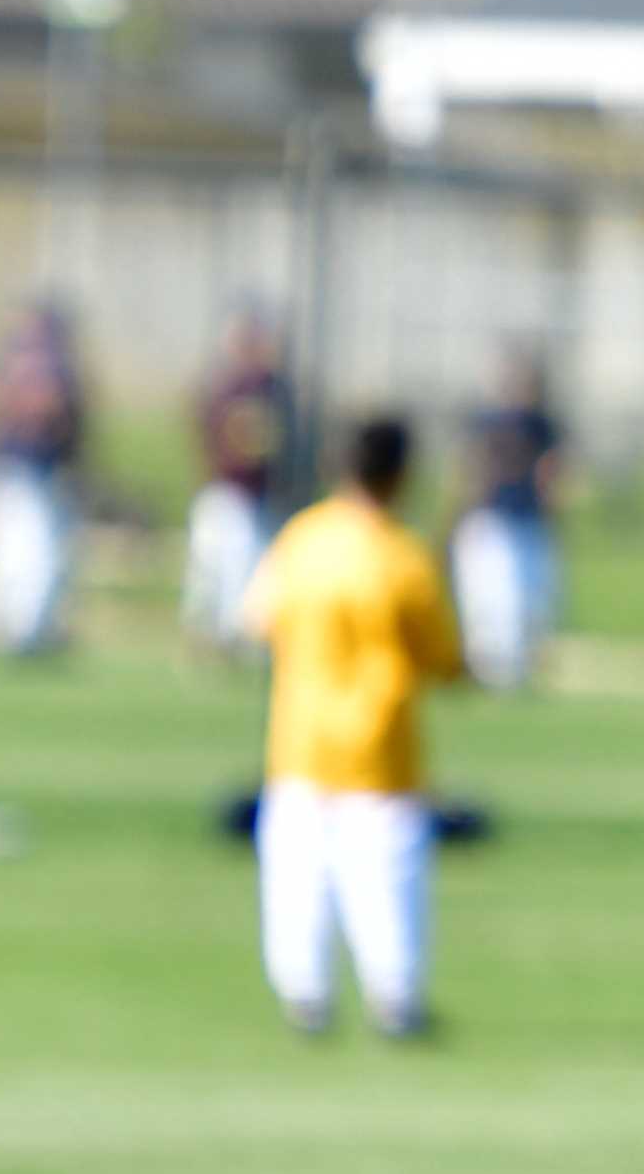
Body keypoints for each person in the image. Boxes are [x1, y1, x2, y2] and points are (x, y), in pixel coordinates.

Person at [234, 413, 463, 1041]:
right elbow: (446, 661)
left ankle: (306, 998)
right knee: (387, 887)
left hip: (300, 742)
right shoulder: (404, 557)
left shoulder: (301, 540)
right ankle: (396, 1001)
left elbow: (256, 618)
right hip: (381, 748)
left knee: (298, 887)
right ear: (400, 474)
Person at [0, 296, 87, 658]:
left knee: (27, 554)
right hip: (22, 471)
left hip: (26, 472)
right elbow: (46, 414)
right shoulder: (39, 367)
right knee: (27, 554)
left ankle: (17, 626)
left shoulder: (13, 363)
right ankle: (18, 630)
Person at [449, 347, 565, 691]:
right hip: (493, 520)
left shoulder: (540, 425)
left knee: (533, 599)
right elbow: (468, 470)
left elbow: (551, 473)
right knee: (496, 599)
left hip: (527, 520)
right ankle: (492, 670)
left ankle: (516, 668)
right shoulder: (486, 422)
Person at [182, 305, 294, 659]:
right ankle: (213, 639)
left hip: (259, 496)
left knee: (249, 571)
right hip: (226, 491)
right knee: (215, 572)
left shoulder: (273, 387)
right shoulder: (225, 384)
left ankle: (240, 640)